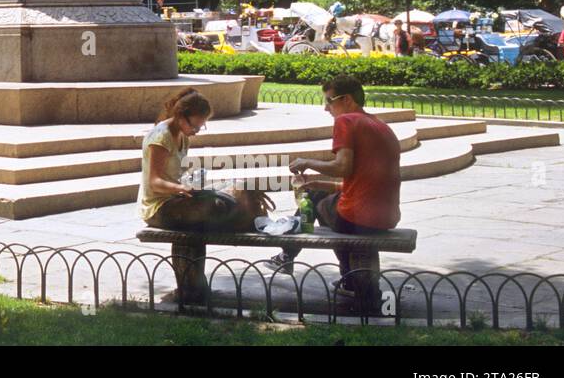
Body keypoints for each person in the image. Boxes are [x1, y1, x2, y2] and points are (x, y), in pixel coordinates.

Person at [268, 75, 401, 289]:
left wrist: (307, 161)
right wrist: (320, 183)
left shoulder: (346, 121)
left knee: (312, 201)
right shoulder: (379, 125)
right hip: (387, 216)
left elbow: (342, 167)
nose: (326, 108)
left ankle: (286, 255)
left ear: (346, 99)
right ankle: (344, 276)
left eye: (329, 101)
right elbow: (365, 182)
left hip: (359, 218)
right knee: (318, 194)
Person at [138, 88, 270, 230]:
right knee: (216, 207)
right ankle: (251, 224)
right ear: (180, 116)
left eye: (201, 127)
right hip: (159, 207)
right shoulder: (161, 137)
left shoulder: (183, 135)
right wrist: (182, 188)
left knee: (243, 187)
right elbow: (154, 182)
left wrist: (192, 184)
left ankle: (258, 225)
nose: (196, 131)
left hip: (178, 198)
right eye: (194, 126)